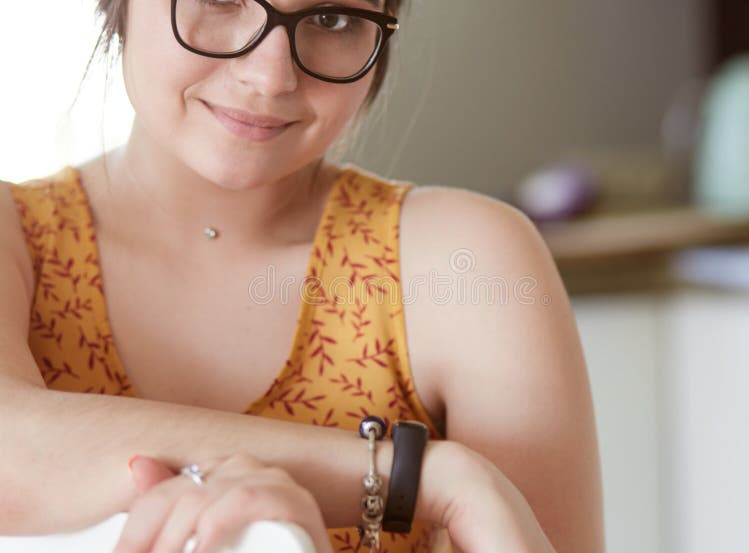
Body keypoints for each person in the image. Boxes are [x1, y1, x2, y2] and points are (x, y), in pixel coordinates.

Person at [0, 1, 605, 552]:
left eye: (331, 19)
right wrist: (426, 478)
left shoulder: (467, 263)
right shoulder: (16, 238)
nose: (270, 76)